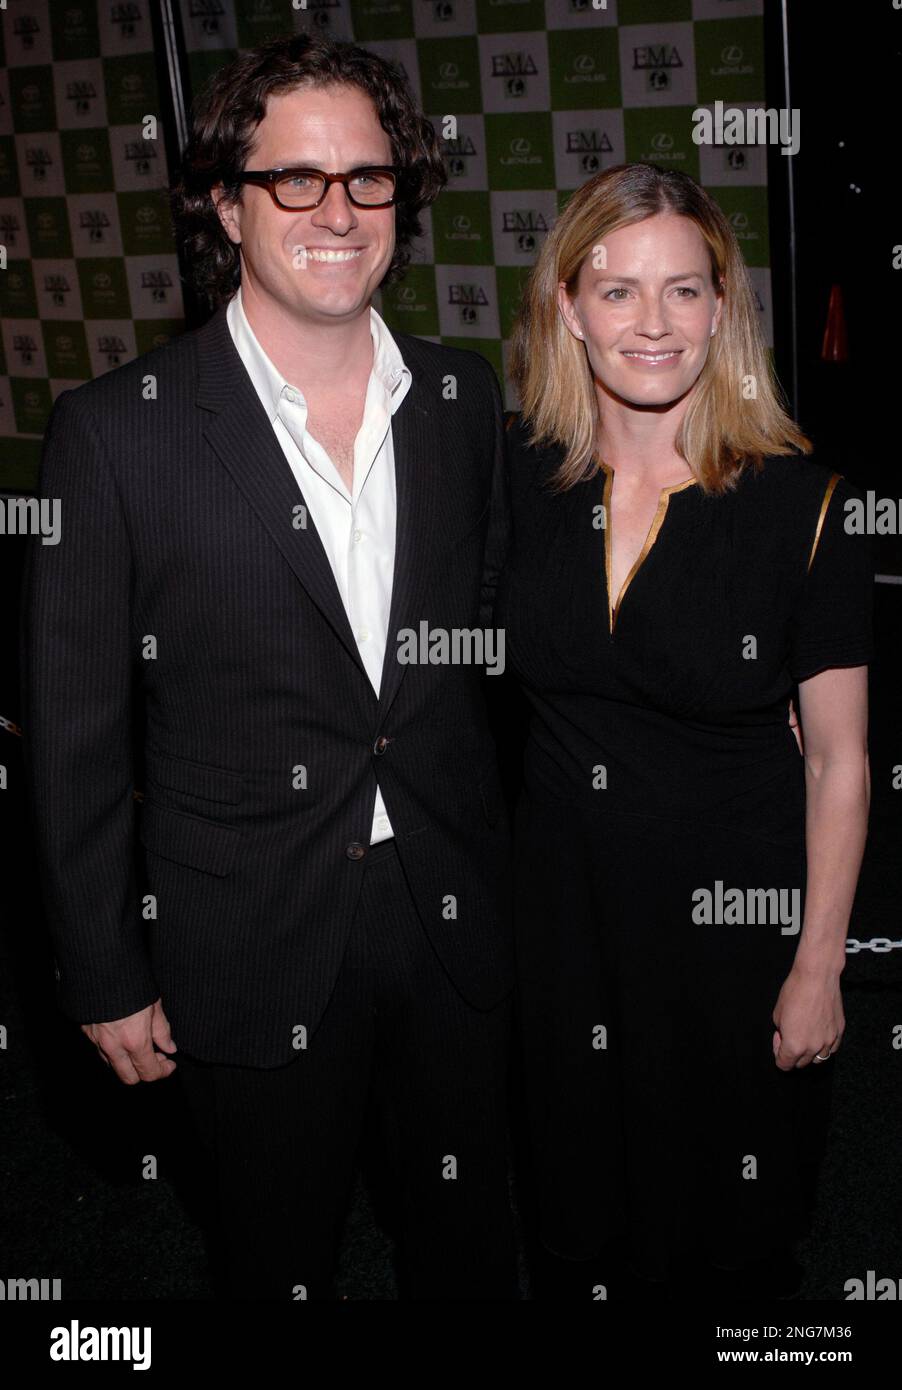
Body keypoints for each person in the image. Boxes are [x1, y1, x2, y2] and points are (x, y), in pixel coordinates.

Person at [19, 33, 517, 1301]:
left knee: (465, 1244)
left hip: (451, 909)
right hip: (243, 927)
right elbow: (73, 730)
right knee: (273, 1255)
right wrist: (104, 969)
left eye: (368, 178)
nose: (336, 211)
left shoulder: (462, 404)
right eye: (294, 179)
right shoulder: (113, 435)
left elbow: (503, 641)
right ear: (227, 203)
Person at [495, 162, 873, 1300]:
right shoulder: (515, 480)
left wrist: (817, 964)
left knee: (729, 1234)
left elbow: (841, 761)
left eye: (684, 290)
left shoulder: (798, 505)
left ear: (723, 307)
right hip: (559, 927)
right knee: (576, 1216)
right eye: (616, 291)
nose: (652, 324)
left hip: (728, 933)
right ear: (565, 307)